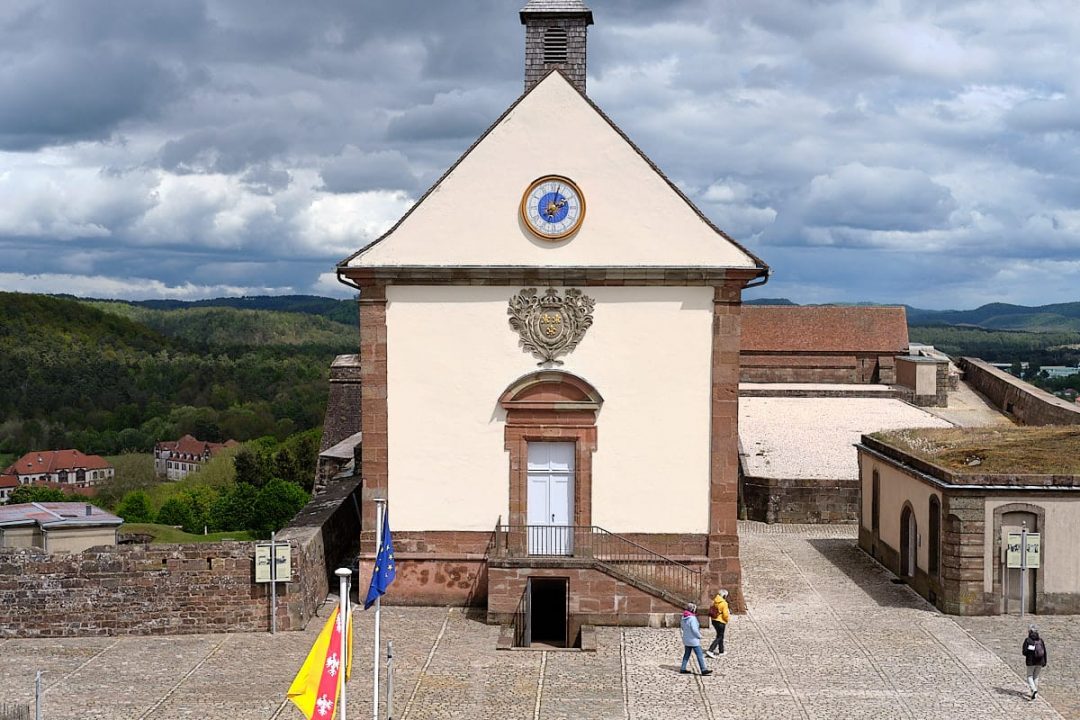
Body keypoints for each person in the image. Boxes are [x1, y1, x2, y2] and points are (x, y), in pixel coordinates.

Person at [679, 602, 712, 676]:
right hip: (693, 640)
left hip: (686, 639)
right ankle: (703, 669)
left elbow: (682, 627)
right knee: (699, 654)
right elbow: (694, 630)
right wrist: (699, 636)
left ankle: (683, 668)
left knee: (686, 654)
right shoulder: (692, 619)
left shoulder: (684, 617)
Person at [1022, 624, 1048, 700]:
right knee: (1036, 676)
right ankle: (1035, 694)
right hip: (1040, 661)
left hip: (1031, 662)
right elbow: (1045, 651)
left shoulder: (1027, 640)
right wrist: (1044, 661)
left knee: (1029, 676)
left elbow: (1024, 652)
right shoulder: (1040, 640)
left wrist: (1029, 651)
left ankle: (1034, 690)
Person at [705, 589, 730, 658]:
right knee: (719, 637)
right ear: (724, 596)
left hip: (714, 620)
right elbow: (725, 614)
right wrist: (727, 620)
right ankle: (711, 650)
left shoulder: (714, 601)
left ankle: (721, 651)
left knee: (720, 635)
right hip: (721, 621)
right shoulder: (724, 603)